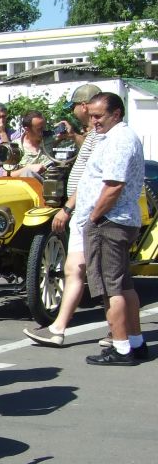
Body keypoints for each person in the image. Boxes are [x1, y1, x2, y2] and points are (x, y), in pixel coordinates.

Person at [23, 84, 102, 347]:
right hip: (81, 210)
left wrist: (68, 208)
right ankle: (59, 328)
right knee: (76, 269)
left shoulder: (101, 134)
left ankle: (121, 336)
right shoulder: (92, 134)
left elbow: (94, 176)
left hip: (89, 210)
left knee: (104, 275)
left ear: (84, 105)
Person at [78, 92, 147, 365]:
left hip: (111, 222)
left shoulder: (119, 139)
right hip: (120, 220)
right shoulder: (119, 136)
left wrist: (94, 217)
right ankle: (135, 342)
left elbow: (113, 185)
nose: (93, 122)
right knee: (123, 285)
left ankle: (121, 348)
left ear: (116, 114)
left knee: (111, 289)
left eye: (98, 116)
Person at [11, 110, 50, 178]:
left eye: (44, 128)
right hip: (27, 187)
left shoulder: (52, 141)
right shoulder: (15, 147)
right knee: (27, 173)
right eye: (39, 129)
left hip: (51, 186)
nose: (43, 132)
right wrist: (28, 169)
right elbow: (6, 175)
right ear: (27, 129)